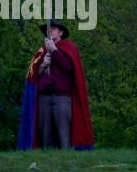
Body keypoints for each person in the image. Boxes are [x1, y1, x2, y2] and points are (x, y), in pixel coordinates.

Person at [17, 21, 94, 150]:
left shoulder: (69, 48)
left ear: (61, 33)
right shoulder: (41, 52)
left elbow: (68, 68)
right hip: (44, 98)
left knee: (63, 133)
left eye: (54, 29)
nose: (50, 31)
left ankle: (66, 160)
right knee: (45, 134)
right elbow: (33, 75)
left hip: (62, 98)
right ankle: (47, 161)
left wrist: (55, 51)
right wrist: (42, 65)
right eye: (49, 29)